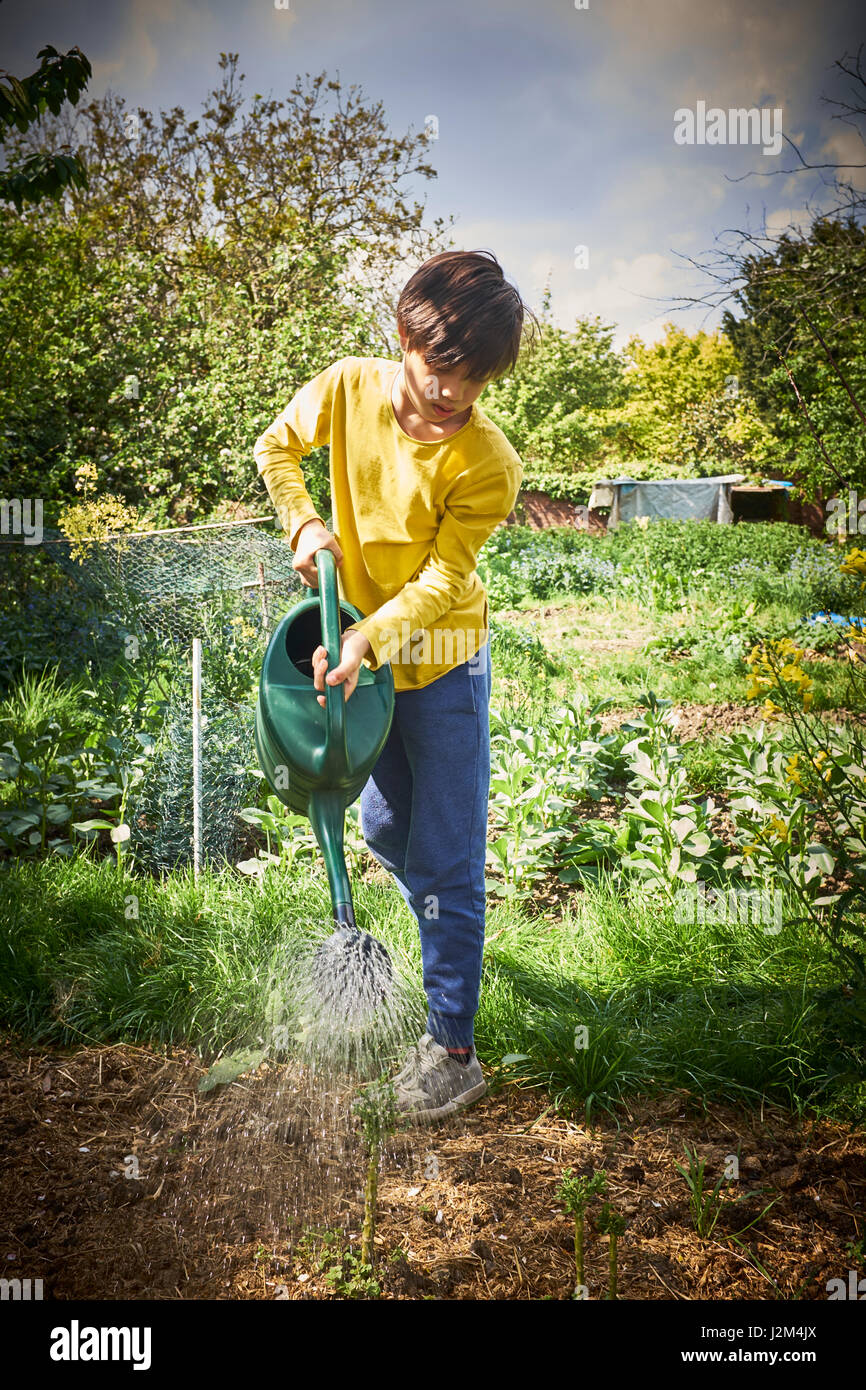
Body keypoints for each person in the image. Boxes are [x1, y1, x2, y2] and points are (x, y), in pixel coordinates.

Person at [254, 248, 537, 1122]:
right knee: (385, 829)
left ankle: (453, 1046)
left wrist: (370, 640)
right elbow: (276, 448)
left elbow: (446, 582)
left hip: (440, 662)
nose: (454, 392)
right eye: (441, 366)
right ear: (405, 339)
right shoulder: (346, 388)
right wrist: (303, 522)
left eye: (476, 377)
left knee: (447, 857)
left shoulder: (488, 462)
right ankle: (443, 929)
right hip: (361, 659)